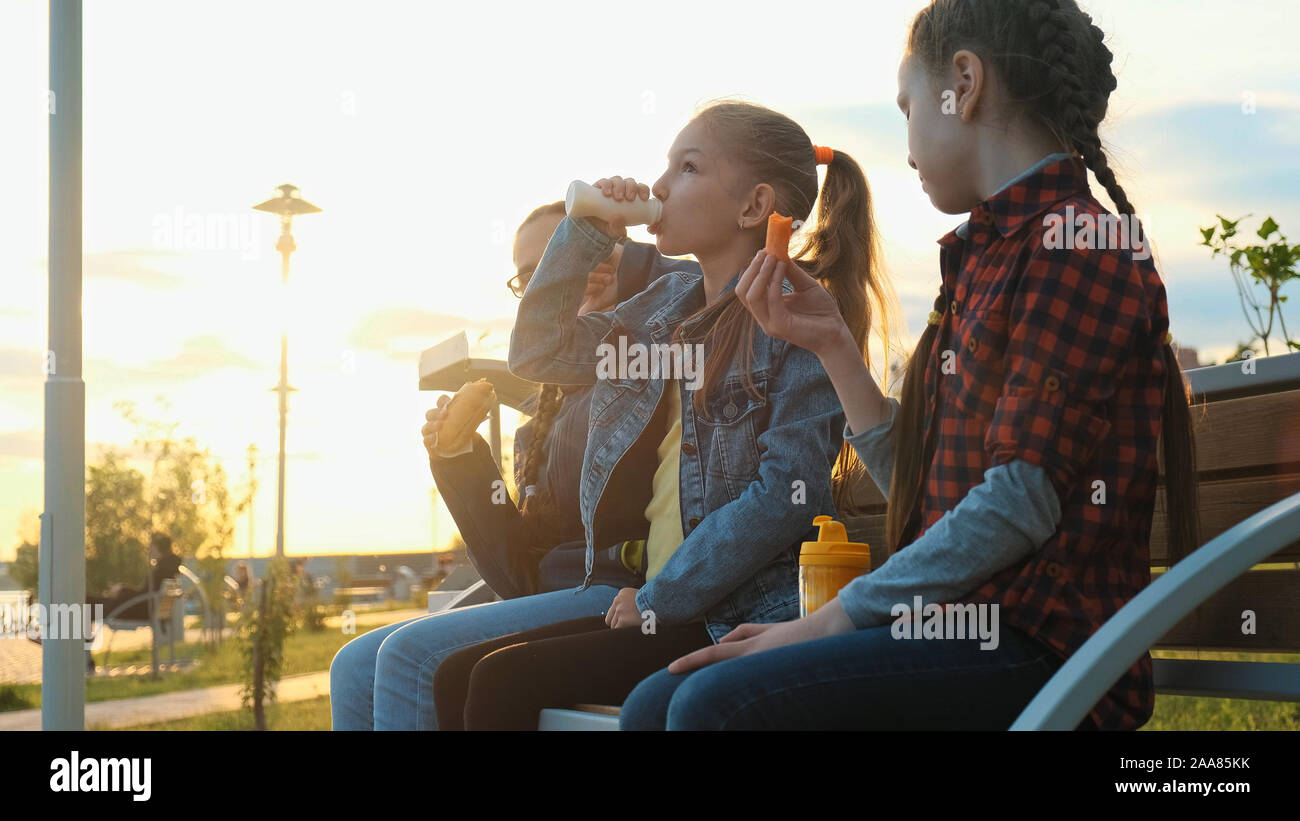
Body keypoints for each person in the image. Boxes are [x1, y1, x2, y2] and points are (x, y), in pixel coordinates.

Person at [619, 0, 1199, 731]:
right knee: (654, 703)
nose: (907, 145)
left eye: (907, 107)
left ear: (965, 82)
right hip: (956, 631)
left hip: (1041, 653)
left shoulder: (1077, 247)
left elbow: (1019, 504)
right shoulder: (985, 258)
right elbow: (931, 508)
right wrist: (831, 344)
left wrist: (833, 619)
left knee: (712, 704)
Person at [428, 100, 898, 730]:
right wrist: (589, 228)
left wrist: (658, 597)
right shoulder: (667, 306)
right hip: (658, 605)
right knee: (459, 672)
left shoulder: (794, 317)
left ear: (753, 208)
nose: (659, 187)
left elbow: (786, 493)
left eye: (688, 168)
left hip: (733, 612)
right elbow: (540, 352)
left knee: (495, 680)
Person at [425, 201, 699, 599]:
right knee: (362, 657)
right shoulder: (537, 425)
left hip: (623, 595)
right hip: (554, 600)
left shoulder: (659, 349)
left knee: (401, 652)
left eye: (564, 255)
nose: (549, 281)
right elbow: (519, 579)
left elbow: (715, 285)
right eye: (529, 277)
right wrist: (459, 458)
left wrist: (631, 264)